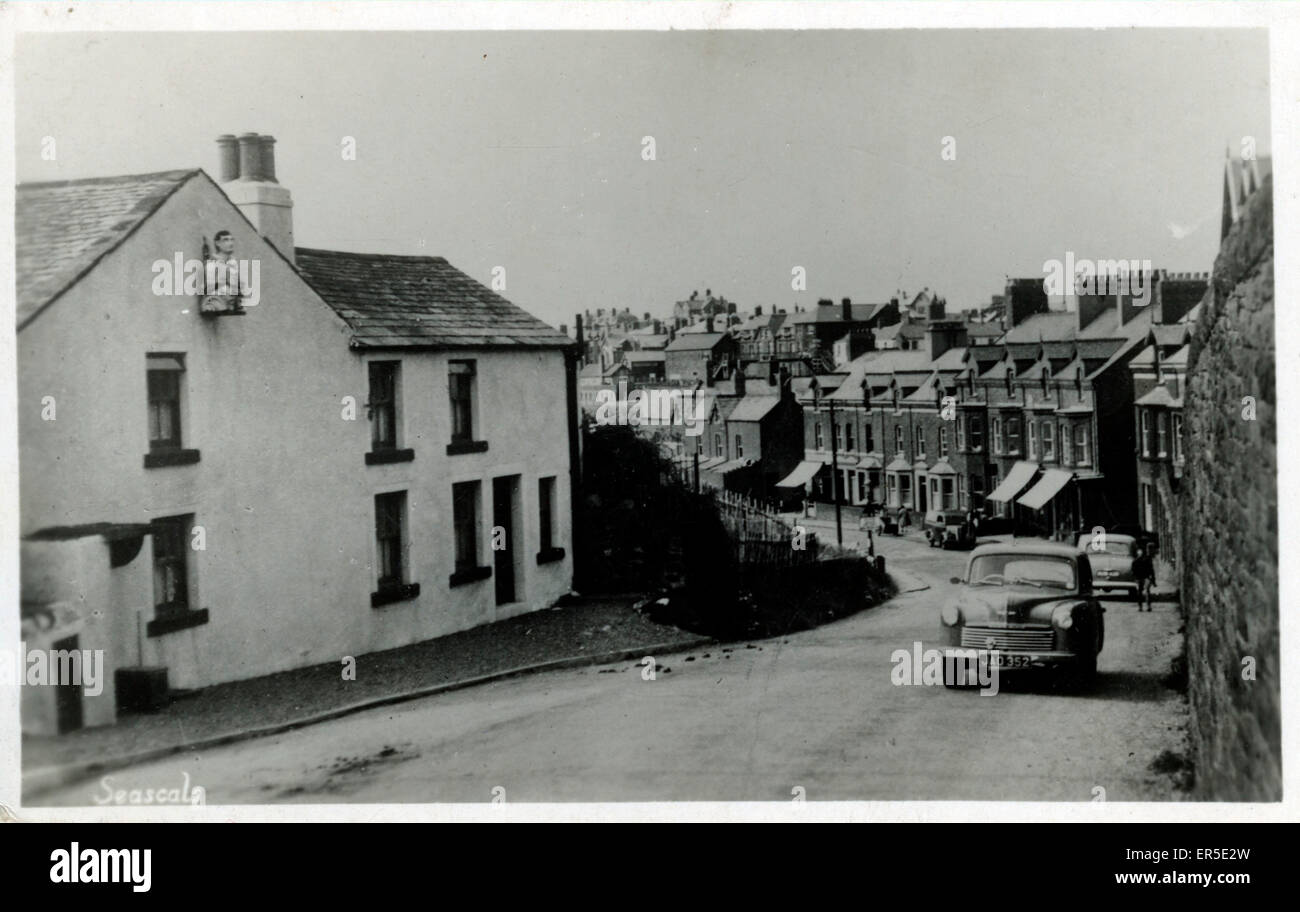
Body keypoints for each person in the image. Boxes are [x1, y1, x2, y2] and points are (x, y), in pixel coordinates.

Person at [1132, 542, 1157, 611]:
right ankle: (1145, 606)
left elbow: (1151, 570)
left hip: (1144, 577)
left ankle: (1144, 607)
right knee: (1144, 592)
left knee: (1143, 592)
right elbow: (1151, 570)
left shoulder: (1137, 560)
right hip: (1143, 577)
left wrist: (1153, 579)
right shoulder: (1144, 560)